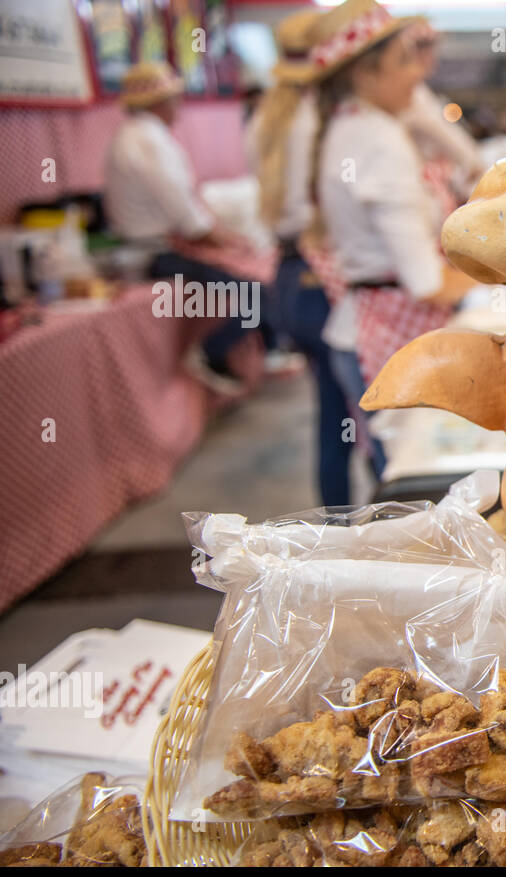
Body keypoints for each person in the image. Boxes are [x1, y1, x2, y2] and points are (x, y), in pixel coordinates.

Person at [307, 0, 475, 481]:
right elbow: (424, 281)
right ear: (365, 74)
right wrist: (502, 277)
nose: (416, 78)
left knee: (395, 476)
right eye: (404, 62)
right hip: (387, 336)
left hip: (368, 329)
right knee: (413, 489)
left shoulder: (354, 128)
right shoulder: (377, 138)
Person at [104, 61, 264, 394]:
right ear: (160, 103)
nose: (178, 106)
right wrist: (229, 241)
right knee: (255, 292)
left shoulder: (132, 136)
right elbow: (186, 217)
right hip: (156, 253)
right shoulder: (149, 142)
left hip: (151, 246)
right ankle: (212, 352)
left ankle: (264, 348)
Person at [247, 10, 354, 506]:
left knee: (333, 419)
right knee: (365, 420)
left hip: (289, 274)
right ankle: (379, 533)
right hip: (324, 275)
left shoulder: (266, 118)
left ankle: (338, 530)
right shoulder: (320, 121)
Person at [401, 20, 484, 202]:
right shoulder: (413, 94)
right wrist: (475, 163)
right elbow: (448, 137)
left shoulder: (419, 90)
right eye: (431, 50)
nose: (434, 57)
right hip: (424, 188)